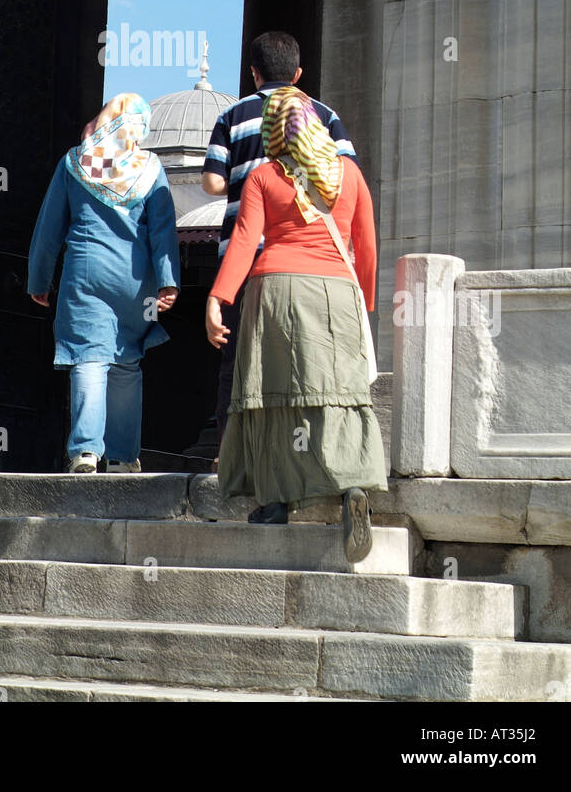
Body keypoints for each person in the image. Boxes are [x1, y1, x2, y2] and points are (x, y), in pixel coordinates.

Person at [205, 85, 386, 561]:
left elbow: (245, 241)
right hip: (336, 292)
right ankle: (352, 489)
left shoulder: (265, 175)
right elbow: (365, 243)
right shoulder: (349, 174)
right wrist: (362, 301)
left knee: (274, 397)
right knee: (342, 391)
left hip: (276, 289)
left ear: (272, 131)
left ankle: (275, 503)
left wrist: (218, 298)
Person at [202, 32, 357, 444]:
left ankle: (229, 451)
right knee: (301, 357)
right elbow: (343, 180)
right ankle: (302, 448)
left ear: (253, 73)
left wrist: (244, 179)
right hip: (308, 254)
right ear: (299, 73)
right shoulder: (324, 114)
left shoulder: (232, 116)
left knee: (235, 360)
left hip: (244, 253)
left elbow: (213, 182)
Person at [27, 93, 180, 474]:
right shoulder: (150, 167)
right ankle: (124, 457)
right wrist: (168, 282)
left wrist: (39, 279)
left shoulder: (75, 162)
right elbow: (162, 231)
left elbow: (49, 229)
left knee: (89, 359)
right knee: (127, 362)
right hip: (135, 280)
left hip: (85, 274)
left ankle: (85, 452)